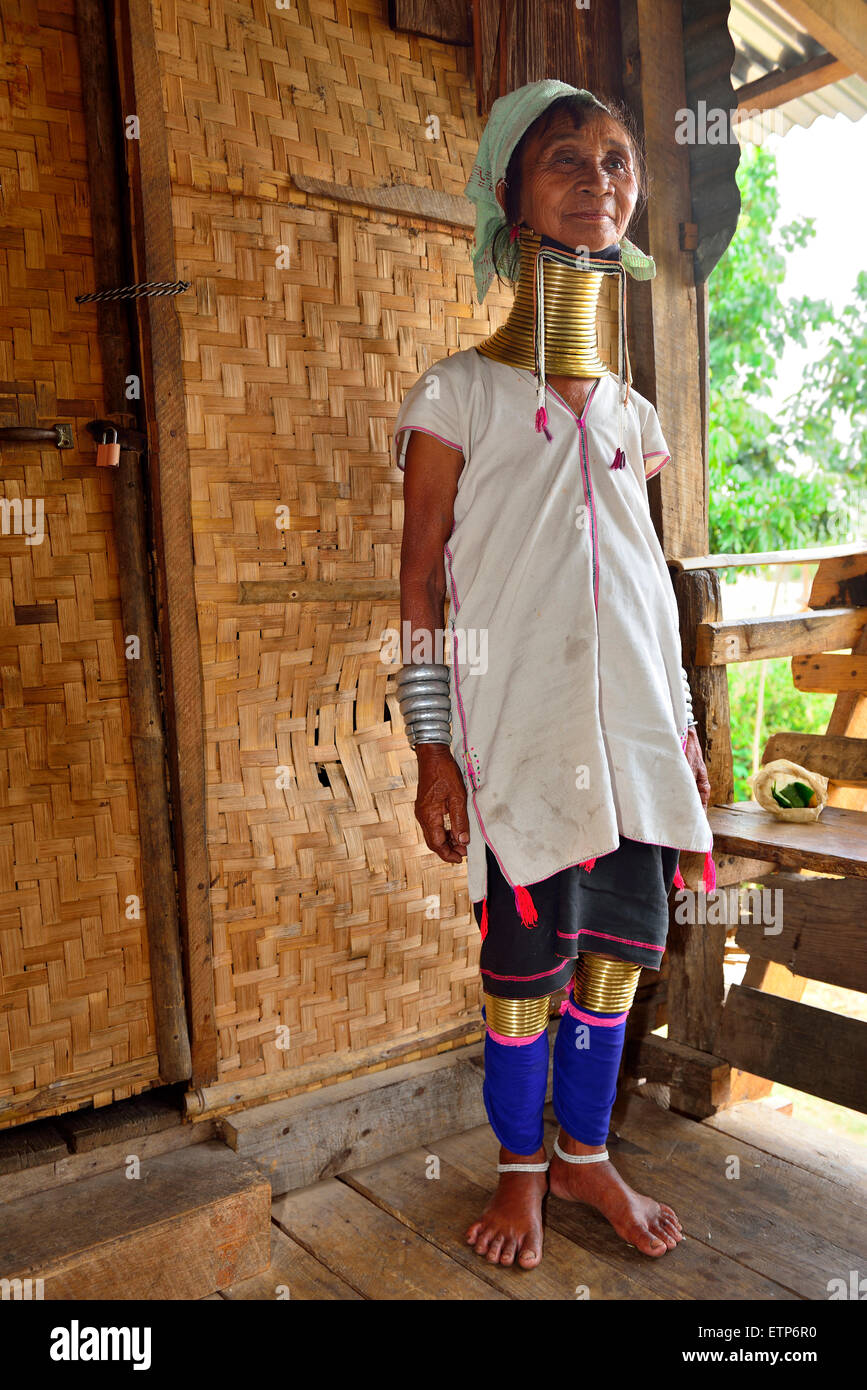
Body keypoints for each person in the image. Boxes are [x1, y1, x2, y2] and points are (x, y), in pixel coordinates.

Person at [393, 80, 714, 1271]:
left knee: (619, 963)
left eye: (619, 160)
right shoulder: (457, 395)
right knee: (523, 972)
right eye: (567, 160)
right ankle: (520, 1173)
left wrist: (680, 731)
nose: (601, 178)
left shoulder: (633, 415)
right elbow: (421, 584)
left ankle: (585, 1157)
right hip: (517, 737)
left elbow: (640, 588)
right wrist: (431, 746)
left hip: (633, 746)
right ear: (513, 205)